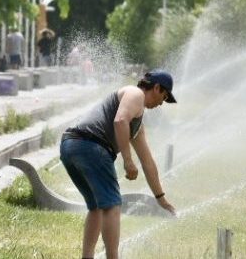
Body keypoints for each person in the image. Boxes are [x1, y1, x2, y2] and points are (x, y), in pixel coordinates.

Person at [60, 71, 178, 259]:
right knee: (113, 205)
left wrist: (160, 198)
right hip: (92, 145)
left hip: (70, 146)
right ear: (156, 87)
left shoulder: (137, 122)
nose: (161, 103)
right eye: (163, 97)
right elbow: (120, 120)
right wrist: (128, 160)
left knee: (97, 207)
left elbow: (147, 162)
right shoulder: (135, 94)